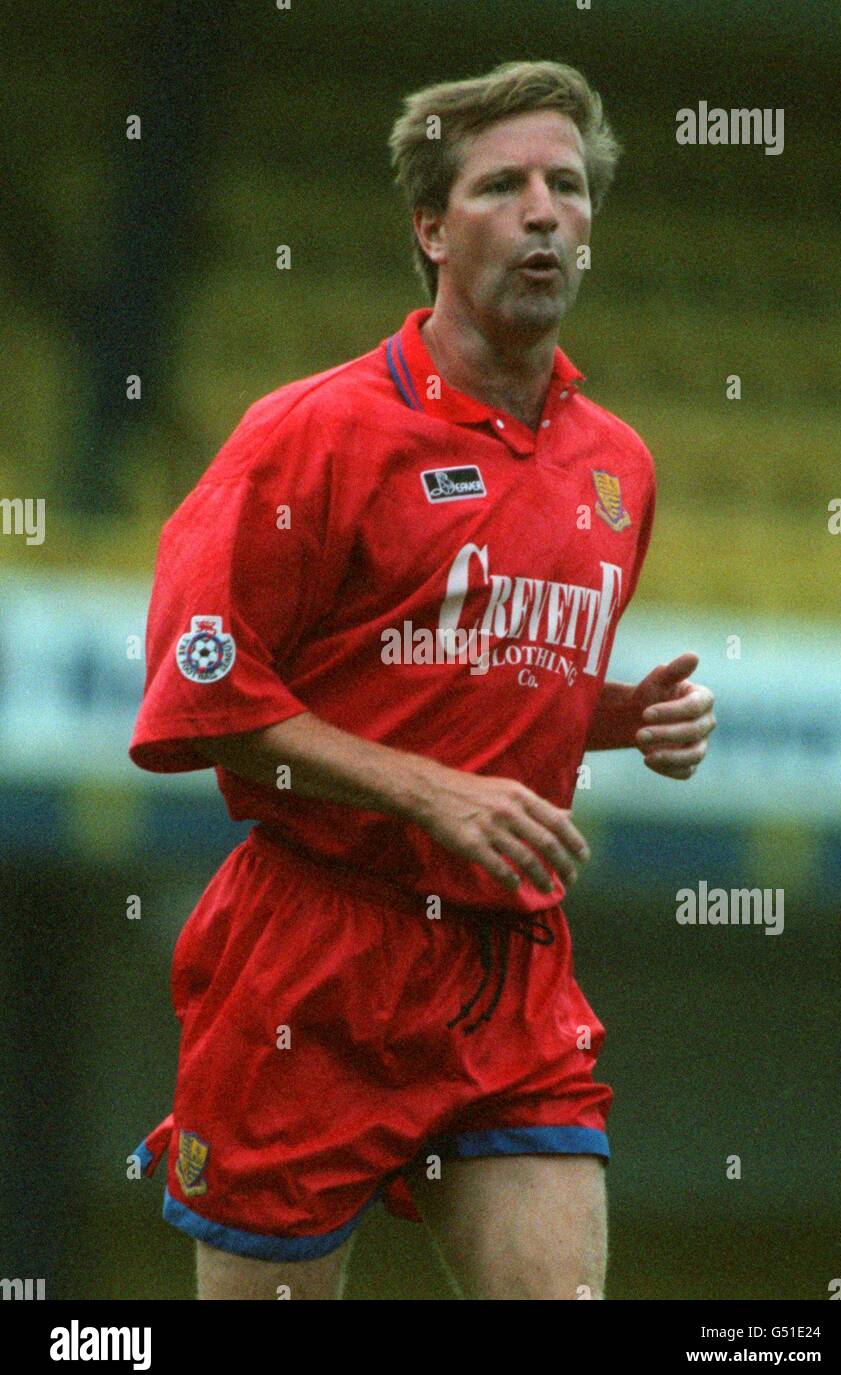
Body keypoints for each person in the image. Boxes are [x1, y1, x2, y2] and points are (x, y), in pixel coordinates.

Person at [129, 60, 715, 1301]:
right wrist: (431, 794)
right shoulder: (316, 433)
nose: (544, 210)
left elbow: (454, 678)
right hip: (311, 955)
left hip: (506, 967)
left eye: (566, 184)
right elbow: (207, 699)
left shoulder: (616, 465)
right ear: (433, 228)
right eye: (502, 185)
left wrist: (617, 720)